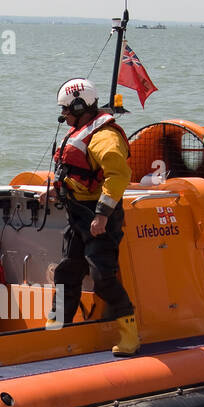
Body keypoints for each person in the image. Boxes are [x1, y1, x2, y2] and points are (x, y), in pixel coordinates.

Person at [49, 77, 139, 355]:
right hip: (77, 212)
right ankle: (58, 325)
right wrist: (54, 192)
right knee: (67, 270)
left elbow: (119, 176)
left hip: (100, 217)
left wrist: (101, 215)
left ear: (80, 105)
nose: (63, 115)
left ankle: (130, 332)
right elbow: (73, 173)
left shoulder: (104, 137)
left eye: (66, 109)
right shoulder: (82, 131)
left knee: (102, 277)